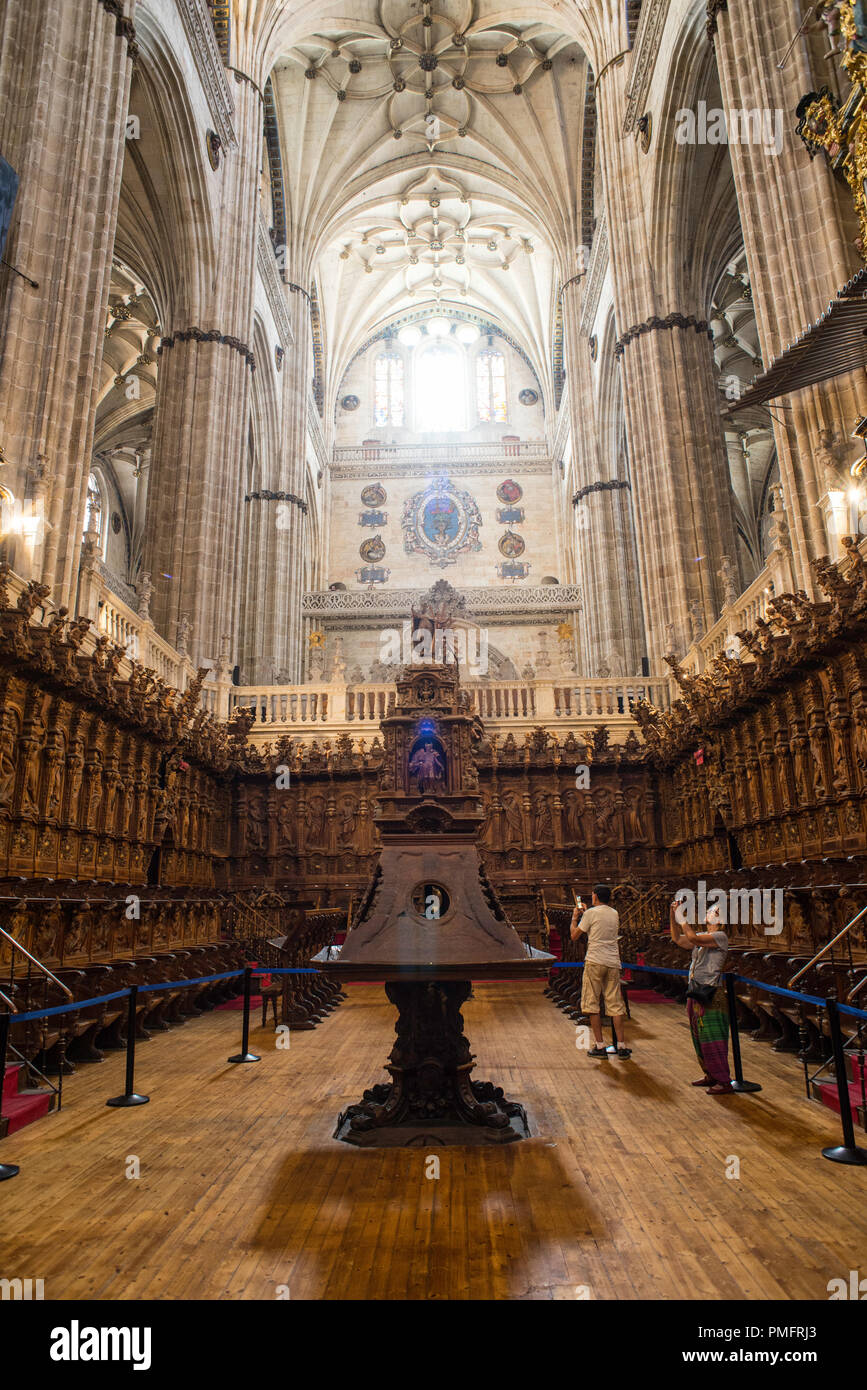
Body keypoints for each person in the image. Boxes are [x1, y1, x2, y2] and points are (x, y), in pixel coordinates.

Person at [669, 897, 734, 1095]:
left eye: (713, 911)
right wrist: (673, 916)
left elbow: (694, 939)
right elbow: (678, 939)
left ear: (721, 919)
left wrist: (682, 917)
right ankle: (710, 1074)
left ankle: (723, 1080)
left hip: (711, 992)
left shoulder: (720, 936)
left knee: (712, 1037)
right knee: (699, 1036)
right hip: (696, 990)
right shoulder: (704, 934)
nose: (708, 913)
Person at [570, 883, 630, 1058]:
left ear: (595, 896)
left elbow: (574, 936)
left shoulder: (589, 913)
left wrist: (575, 918)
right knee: (615, 1004)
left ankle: (600, 1046)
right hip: (612, 962)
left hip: (595, 961)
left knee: (592, 1004)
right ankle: (621, 1046)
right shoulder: (614, 913)